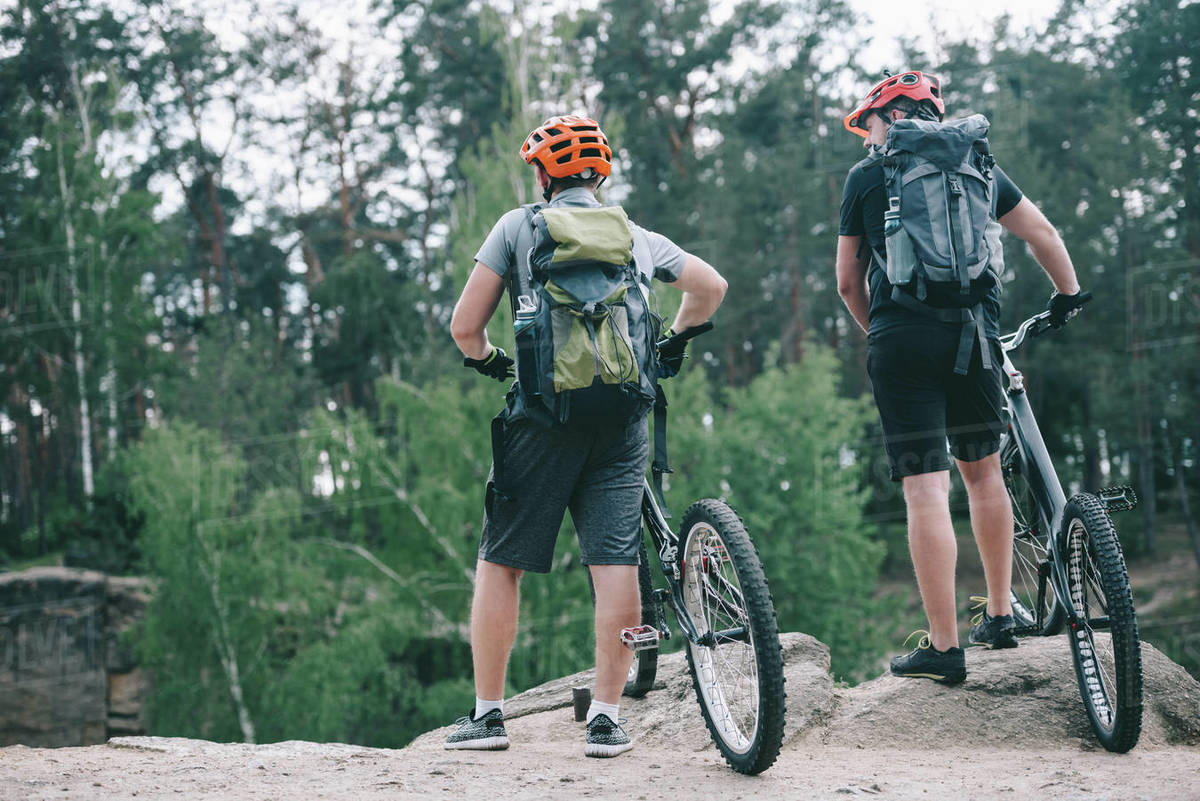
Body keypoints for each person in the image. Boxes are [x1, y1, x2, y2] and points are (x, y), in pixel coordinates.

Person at [447, 115, 727, 754]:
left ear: (543, 174)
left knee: (501, 562)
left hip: (541, 424)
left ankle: (489, 717)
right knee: (615, 563)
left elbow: (466, 328)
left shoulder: (517, 227)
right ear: (598, 174)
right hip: (622, 422)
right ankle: (606, 717)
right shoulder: (635, 234)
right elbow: (710, 287)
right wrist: (672, 344)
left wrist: (498, 367)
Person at [835, 71, 1088, 684]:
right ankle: (1001, 614)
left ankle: (945, 648)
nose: (866, 135)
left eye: (869, 122)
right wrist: (1068, 296)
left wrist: (885, 337)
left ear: (891, 116)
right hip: (974, 335)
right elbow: (1043, 234)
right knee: (984, 476)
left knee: (925, 491)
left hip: (901, 340)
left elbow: (847, 281)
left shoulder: (868, 176)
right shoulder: (979, 166)